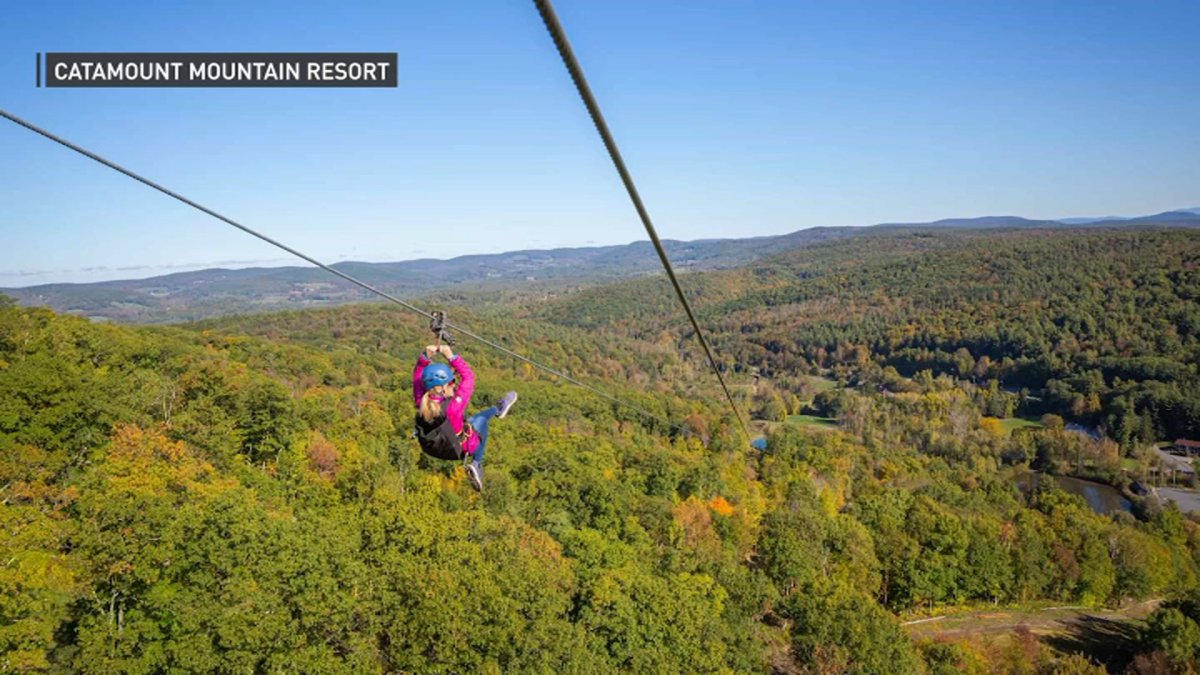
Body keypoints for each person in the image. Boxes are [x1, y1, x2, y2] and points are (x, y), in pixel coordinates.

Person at [413, 344, 518, 491]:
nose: (454, 386)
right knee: (480, 421)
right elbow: (469, 377)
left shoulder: (422, 402)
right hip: (460, 448)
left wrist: (424, 359)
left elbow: (418, 379)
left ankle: (498, 409)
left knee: (477, 419)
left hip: (437, 447)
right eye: (451, 383)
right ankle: (477, 463)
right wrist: (451, 357)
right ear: (443, 388)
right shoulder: (453, 408)